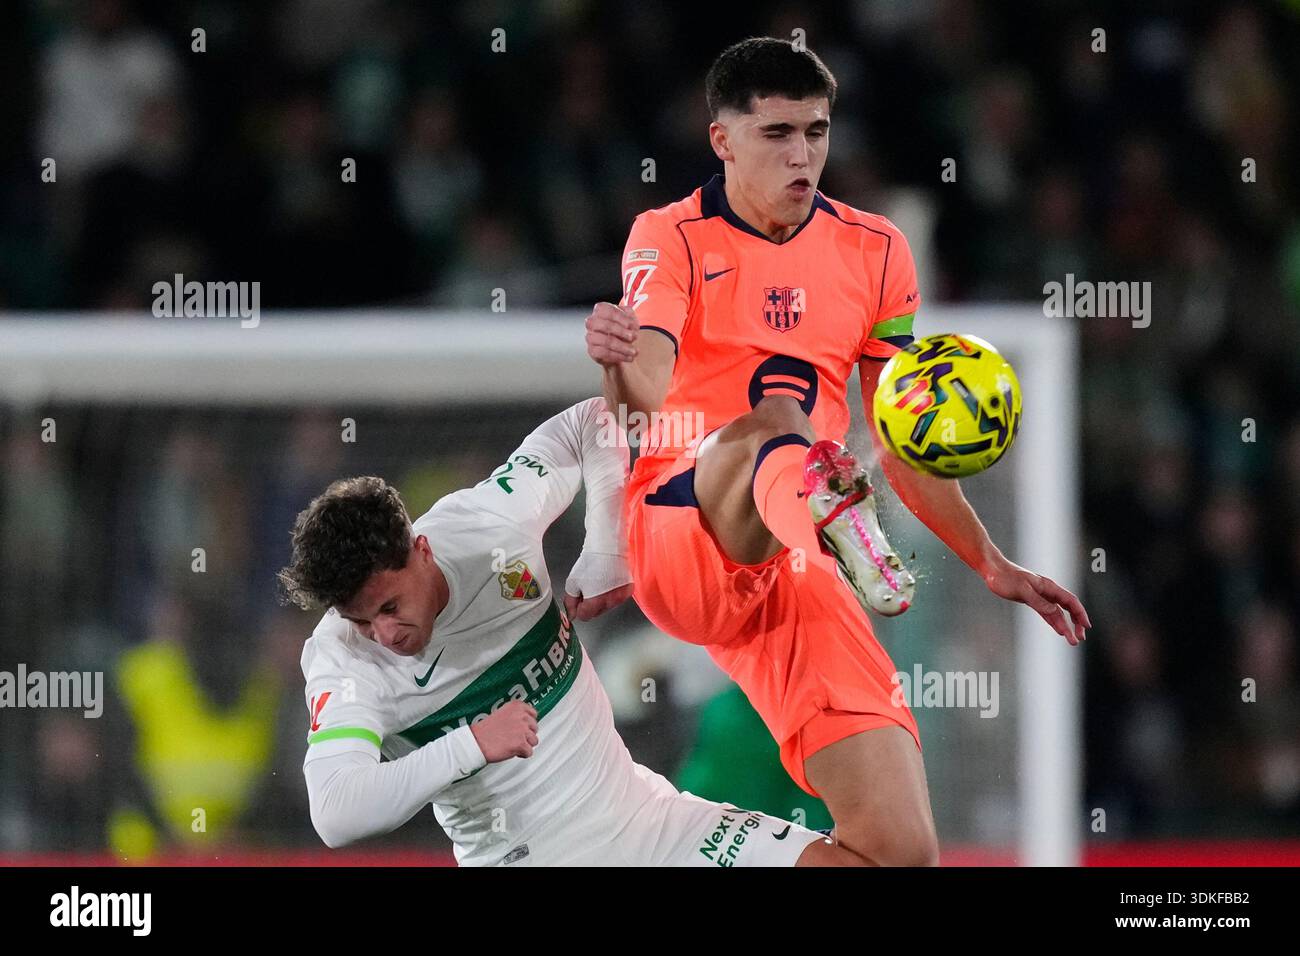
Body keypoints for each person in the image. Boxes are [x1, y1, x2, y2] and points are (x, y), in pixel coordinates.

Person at [585, 37, 1091, 866]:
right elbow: (647, 391)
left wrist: (990, 562)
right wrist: (616, 361)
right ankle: (825, 504)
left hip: (799, 566)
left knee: (899, 851)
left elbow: (901, 442)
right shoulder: (668, 234)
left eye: (816, 132)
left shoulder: (876, 249)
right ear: (722, 140)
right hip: (684, 527)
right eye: (778, 133)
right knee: (779, 419)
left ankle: (688, 854)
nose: (804, 155)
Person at [278, 398, 862, 865]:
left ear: (422, 551)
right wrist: (469, 744)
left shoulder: (486, 524)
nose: (383, 634)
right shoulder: (342, 659)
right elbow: (335, 812)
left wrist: (607, 546)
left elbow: (589, 419)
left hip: (651, 821)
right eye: (361, 619)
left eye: (388, 606)